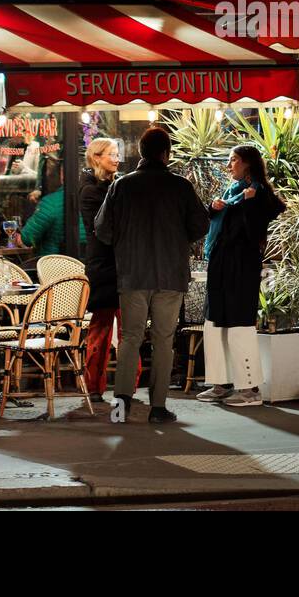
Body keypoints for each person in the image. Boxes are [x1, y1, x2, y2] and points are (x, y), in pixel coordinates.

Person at [94, 127, 209, 424]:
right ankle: (158, 408)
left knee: (130, 339)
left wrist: (126, 240)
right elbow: (201, 225)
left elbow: (103, 230)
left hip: (133, 274)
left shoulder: (122, 186)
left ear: (141, 153)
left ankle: (120, 409)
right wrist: (177, 237)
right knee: (163, 340)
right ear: (165, 153)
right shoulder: (180, 186)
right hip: (171, 275)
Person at [198, 144, 285, 408]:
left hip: (241, 266)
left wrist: (248, 204)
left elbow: (261, 224)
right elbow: (213, 222)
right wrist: (213, 208)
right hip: (221, 265)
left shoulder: (259, 194)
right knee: (215, 324)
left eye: (233, 160)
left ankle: (249, 390)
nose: (229, 165)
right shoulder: (231, 191)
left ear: (248, 163)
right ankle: (220, 384)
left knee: (239, 326)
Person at [79, 137, 129, 402]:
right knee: (101, 328)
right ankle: (94, 386)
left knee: (128, 330)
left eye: (117, 153)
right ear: (97, 157)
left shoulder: (115, 185)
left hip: (122, 264)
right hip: (103, 265)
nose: (117, 158)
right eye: (111, 154)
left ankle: (127, 385)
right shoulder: (90, 190)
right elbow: (104, 230)